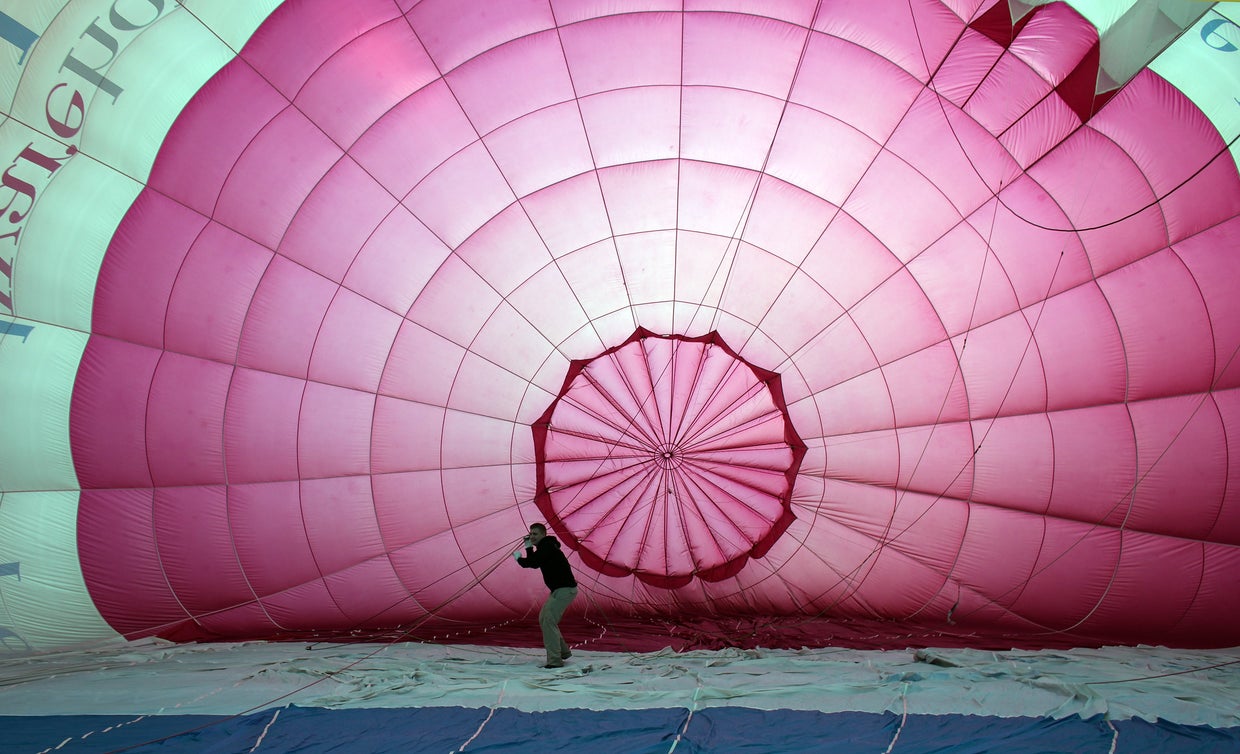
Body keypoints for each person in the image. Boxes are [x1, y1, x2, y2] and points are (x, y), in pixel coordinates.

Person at [514, 523, 577, 668]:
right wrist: (529, 547)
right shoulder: (546, 547)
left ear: (544, 534)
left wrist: (518, 558)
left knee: (548, 621)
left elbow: (531, 563)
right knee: (544, 618)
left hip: (565, 590)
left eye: (535, 534)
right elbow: (535, 561)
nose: (532, 536)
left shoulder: (547, 547)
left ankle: (555, 661)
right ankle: (563, 652)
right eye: (530, 534)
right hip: (559, 590)